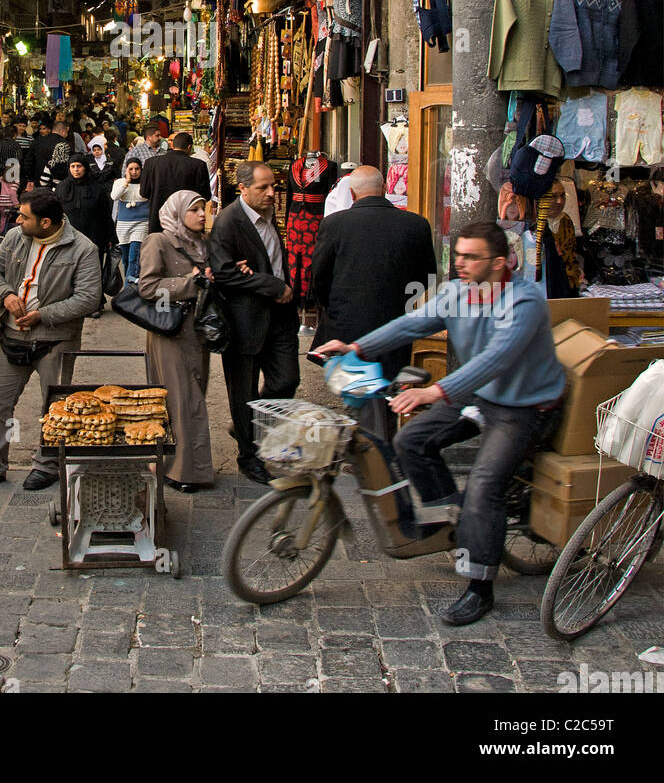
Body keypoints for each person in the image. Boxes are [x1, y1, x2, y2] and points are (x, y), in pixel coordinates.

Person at [313, 221, 566, 627]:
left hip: (524, 405)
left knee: (484, 486)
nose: (460, 263)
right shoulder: (457, 293)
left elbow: (495, 360)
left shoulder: (525, 302)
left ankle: (479, 586)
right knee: (411, 439)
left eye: (470, 257)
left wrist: (434, 393)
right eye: (458, 254)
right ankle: (452, 520)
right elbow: (411, 324)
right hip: (477, 396)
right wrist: (356, 346)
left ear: (499, 263)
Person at [0, 189, 102, 489]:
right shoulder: (16, 237)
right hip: (11, 334)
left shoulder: (83, 249)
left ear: (46, 222)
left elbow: (89, 299)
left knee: (54, 408)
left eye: (24, 216)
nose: (17, 219)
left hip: (55, 340)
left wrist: (43, 315)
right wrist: (5, 296)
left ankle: (47, 464)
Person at [208, 161, 300, 485]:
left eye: (273, 186)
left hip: (280, 319)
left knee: (286, 379)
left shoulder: (268, 214)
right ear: (242, 188)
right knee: (242, 391)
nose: (272, 193)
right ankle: (249, 455)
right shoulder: (228, 222)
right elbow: (223, 273)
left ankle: (250, 424)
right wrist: (272, 285)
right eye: (263, 187)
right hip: (244, 321)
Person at [309, 165, 437, 380]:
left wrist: (332, 306)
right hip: (395, 319)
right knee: (390, 381)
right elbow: (427, 277)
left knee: (353, 384)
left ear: (351, 193)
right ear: (385, 188)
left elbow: (320, 276)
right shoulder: (417, 224)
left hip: (346, 319)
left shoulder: (334, 224)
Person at [137, 190, 215, 492]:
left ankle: (180, 465)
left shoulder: (202, 243)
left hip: (197, 331)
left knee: (194, 396)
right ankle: (182, 471)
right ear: (177, 212)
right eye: (194, 210)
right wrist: (190, 283)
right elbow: (148, 287)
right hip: (170, 332)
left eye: (202, 209)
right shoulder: (158, 241)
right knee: (181, 400)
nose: (200, 215)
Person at [140, 131, 211, 235]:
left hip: (159, 222)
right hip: (188, 224)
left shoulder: (151, 163)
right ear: (189, 147)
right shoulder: (198, 165)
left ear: (172, 145)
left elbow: (144, 192)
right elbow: (205, 195)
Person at [54, 155, 114, 258]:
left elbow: (105, 214)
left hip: (93, 237)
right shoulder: (62, 187)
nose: (76, 170)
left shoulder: (96, 188)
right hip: (68, 238)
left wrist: (110, 237)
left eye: (79, 166)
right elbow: (55, 212)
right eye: (72, 166)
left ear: (85, 167)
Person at [111, 159, 150, 284]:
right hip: (123, 224)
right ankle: (132, 285)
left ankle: (128, 290)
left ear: (141, 169)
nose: (134, 172)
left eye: (137, 169)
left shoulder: (146, 182)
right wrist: (126, 182)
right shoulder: (120, 182)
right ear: (126, 169)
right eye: (131, 169)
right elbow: (114, 196)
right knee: (126, 259)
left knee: (134, 257)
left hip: (141, 223)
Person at [38, 120, 74, 187]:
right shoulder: (66, 145)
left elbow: (29, 160)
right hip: (62, 185)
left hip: (39, 182)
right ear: (63, 132)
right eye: (67, 132)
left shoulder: (37, 142)